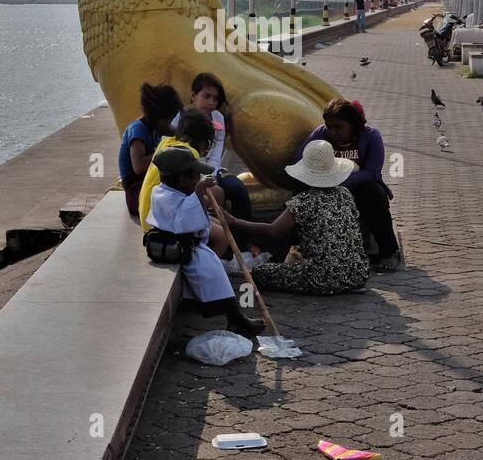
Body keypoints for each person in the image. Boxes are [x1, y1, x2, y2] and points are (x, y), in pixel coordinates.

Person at [222, 140, 370, 295]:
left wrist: (235, 221)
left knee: (261, 271)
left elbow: (273, 230)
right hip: (357, 274)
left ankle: (331, 282)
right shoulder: (345, 194)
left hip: (321, 278)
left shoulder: (303, 201)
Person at [146, 148, 264, 336]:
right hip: (180, 248)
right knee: (212, 271)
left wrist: (198, 195)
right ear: (183, 180)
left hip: (186, 245)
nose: (199, 179)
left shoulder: (167, 191)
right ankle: (235, 317)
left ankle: (235, 317)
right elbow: (191, 224)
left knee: (215, 270)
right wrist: (199, 193)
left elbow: (195, 218)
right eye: (196, 177)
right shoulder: (166, 196)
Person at [294, 97, 400, 271]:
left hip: (358, 187)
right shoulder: (321, 134)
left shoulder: (371, 136)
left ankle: (389, 250)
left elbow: (372, 173)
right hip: (323, 186)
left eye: (339, 127)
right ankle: (300, 246)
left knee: (374, 193)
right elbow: (300, 159)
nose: (333, 132)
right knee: (299, 190)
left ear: (353, 124)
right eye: (330, 126)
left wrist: (339, 181)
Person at [173, 73, 251, 219]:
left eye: (215, 99)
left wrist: (209, 175)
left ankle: (243, 238)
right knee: (215, 194)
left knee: (237, 188)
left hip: (212, 169)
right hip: (185, 171)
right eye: (206, 96)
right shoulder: (179, 117)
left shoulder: (218, 118)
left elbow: (216, 153)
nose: (211, 102)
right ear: (194, 96)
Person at [139, 108, 219, 228]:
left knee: (214, 219)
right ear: (198, 140)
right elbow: (194, 192)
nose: (205, 150)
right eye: (206, 143)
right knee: (218, 196)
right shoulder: (189, 153)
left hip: (149, 217)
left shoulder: (165, 143)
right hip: (167, 221)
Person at [119, 83, 183, 216]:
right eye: (168, 120)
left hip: (149, 187)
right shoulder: (138, 131)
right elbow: (139, 166)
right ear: (158, 118)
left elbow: (180, 134)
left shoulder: (157, 125)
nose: (169, 124)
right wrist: (168, 150)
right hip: (137, 194)